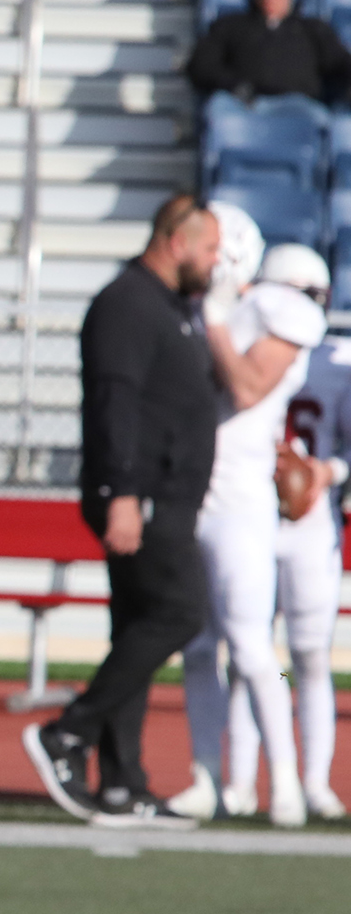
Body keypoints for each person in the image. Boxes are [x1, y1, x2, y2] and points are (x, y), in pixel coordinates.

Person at [22, 194, 222, 828]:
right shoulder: (128, 304)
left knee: (137, 625)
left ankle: (122, 781)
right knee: (178, 612)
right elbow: (117, 406)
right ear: (176, 241)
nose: (217, 261)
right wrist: (123, 494)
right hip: (144, 495)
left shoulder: (173, 307)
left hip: (170, 495)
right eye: (210, 247)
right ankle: (68, 732)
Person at [169, 244, 330, 828]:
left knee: (256, 650)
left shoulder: (272, 314)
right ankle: (207, 777)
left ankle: (285, 779)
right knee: (197, 648)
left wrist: (212, 316)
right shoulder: (222, 312)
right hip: (194, 493)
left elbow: (242, 389)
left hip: (241, 502)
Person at [267, 332, 351, 821]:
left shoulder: (336, 363)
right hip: (255, 524)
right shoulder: (248, 349)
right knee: (259, 659)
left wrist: (328, 471)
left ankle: (315, 780)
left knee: (310, 658)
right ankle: (242, 781)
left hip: (312, 530)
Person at [189, 0, 351, 117]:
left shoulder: (313, 29)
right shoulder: (231, 26)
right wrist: (233, 85)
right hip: (245, 105)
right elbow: (201, 65)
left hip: (299, 108)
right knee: (220, 106)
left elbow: (341, 63)